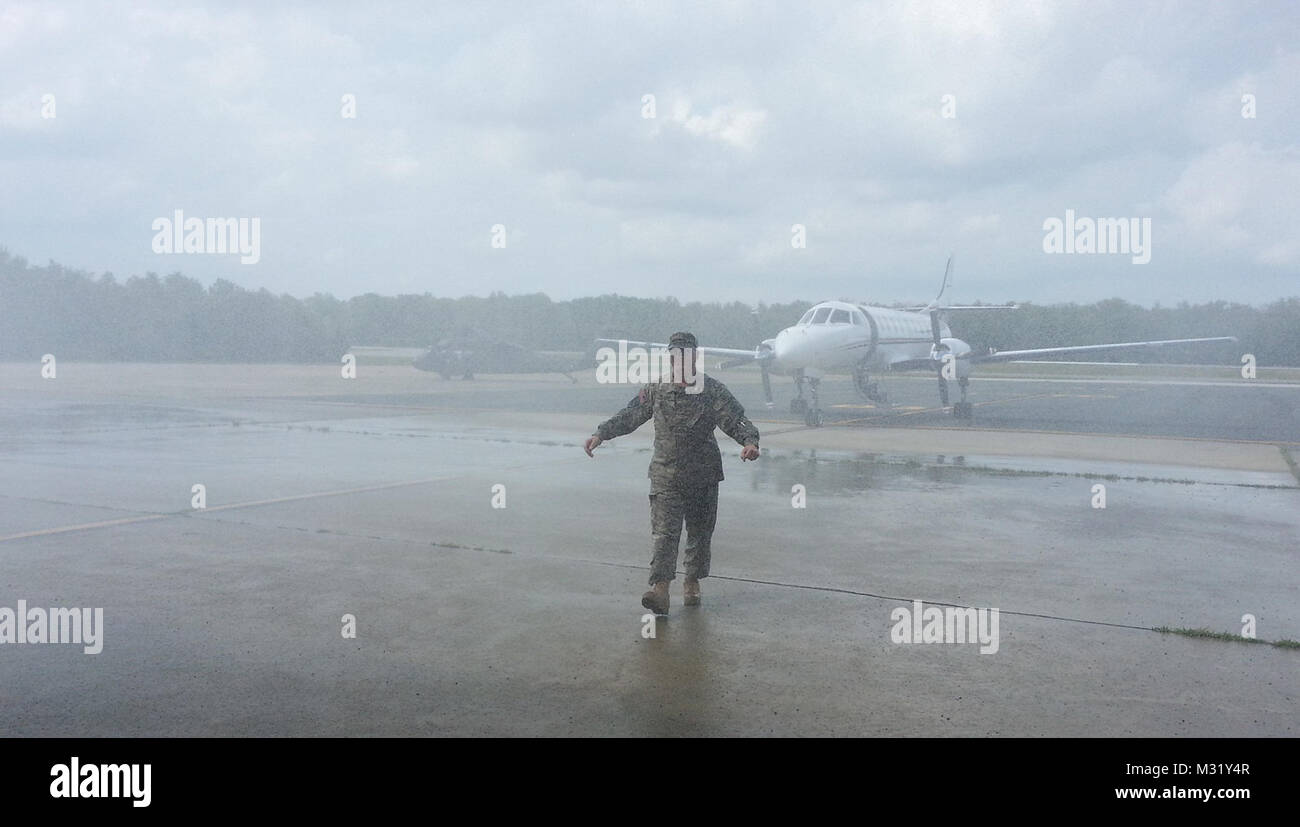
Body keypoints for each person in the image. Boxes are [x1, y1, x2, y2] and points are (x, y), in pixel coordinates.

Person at [584, 332, 760, 615]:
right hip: (666, 475)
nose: (680, 360)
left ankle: (692, 581)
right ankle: (661, 590)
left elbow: (735, 419)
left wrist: (749, 442)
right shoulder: (655, 389)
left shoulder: (711, 389)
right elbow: (629, 415)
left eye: (686, 354)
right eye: (675, 355)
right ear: (670, 357)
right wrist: (601, 434)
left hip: (703, 475)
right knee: (664, 535)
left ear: (694, 357)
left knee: (700, 535)